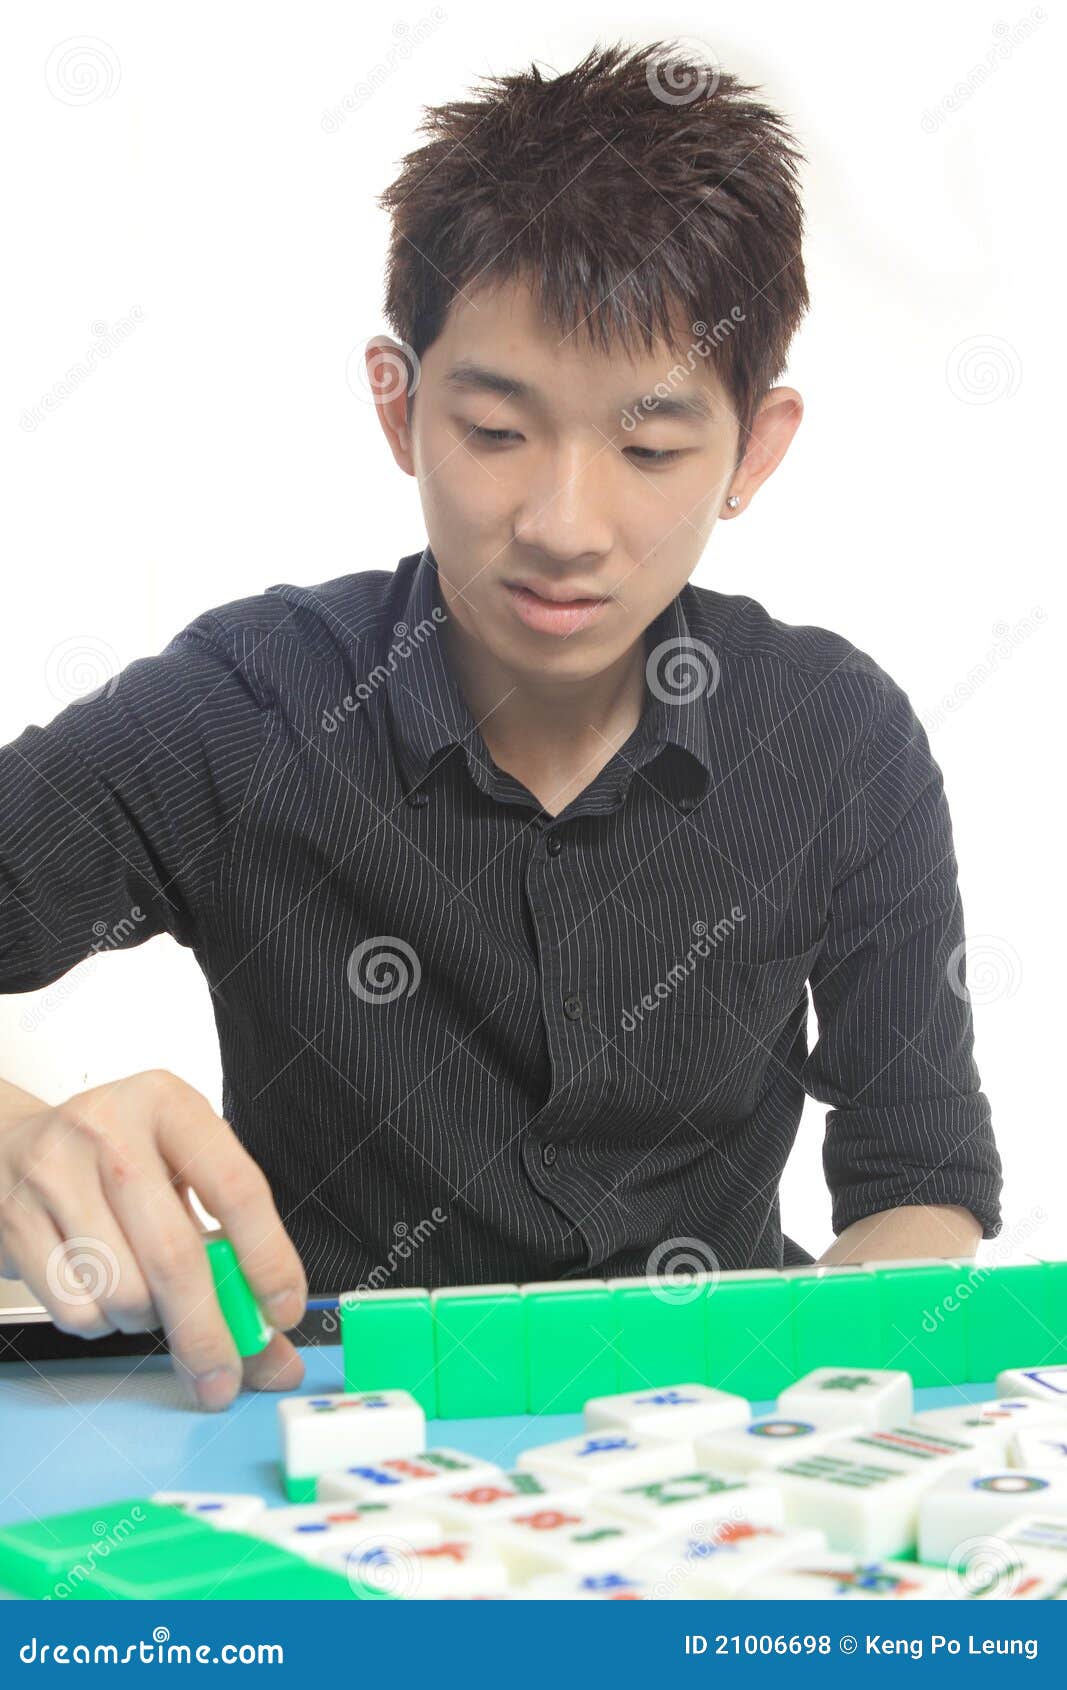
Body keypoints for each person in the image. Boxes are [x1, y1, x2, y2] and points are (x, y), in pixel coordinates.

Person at [0, 41, 1002, 1411]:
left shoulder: (838, 740)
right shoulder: (248, 703)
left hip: (711, 1449)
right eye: (494, 429)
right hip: (309, 1430)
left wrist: (820, 1420)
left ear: (755, 451)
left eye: (651, 449)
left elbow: (921, 1186)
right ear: (400, 406)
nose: (564, 528)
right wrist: (19, 1136)